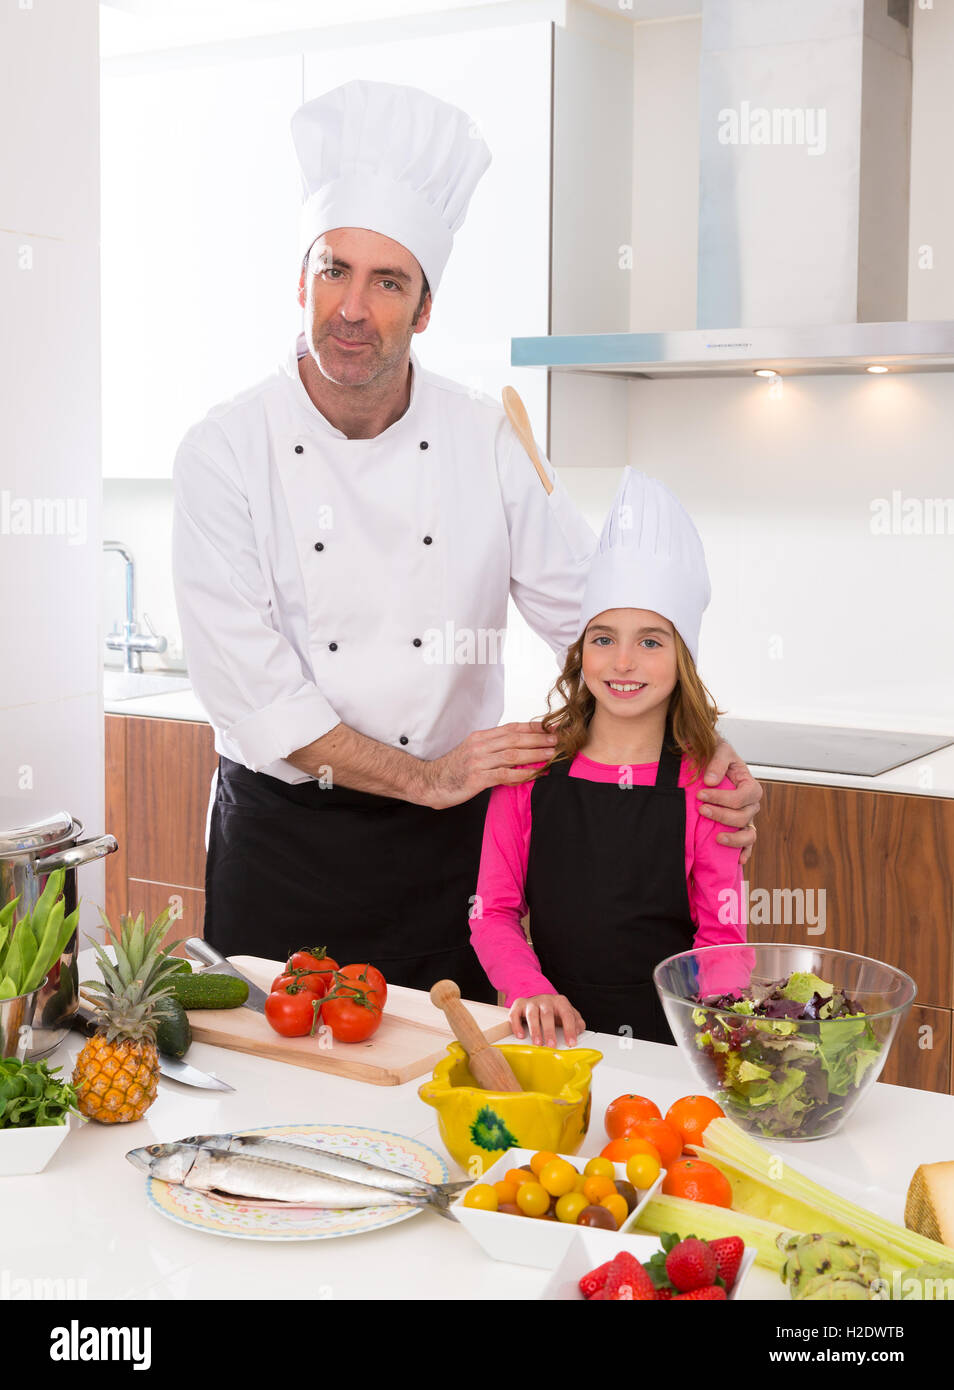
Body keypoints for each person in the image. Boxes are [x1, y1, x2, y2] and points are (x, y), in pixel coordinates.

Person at [172, 80, 761, 1001]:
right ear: (300, 281)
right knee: (272, 1070)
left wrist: (708, 756)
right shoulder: (223, 450)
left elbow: (594, 616)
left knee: (447, 1072)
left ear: (424, 309)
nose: (352, 307)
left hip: (445, 849)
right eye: (333, 270)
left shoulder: (485, 438)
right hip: (286, 837)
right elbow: (256, 696)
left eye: (388, 282)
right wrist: (429, 776)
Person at [469, 468, 746, 1043]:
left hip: (673, 1036)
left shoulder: (707, 786)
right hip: (552, 1033)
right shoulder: (528, 772)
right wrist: (528, 988)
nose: (622, 662)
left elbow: (722, 940)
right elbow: (492, 912)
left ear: (683, 660)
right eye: (603, 638)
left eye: (650, 641)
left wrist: (710, 1034)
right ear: (580, 652)